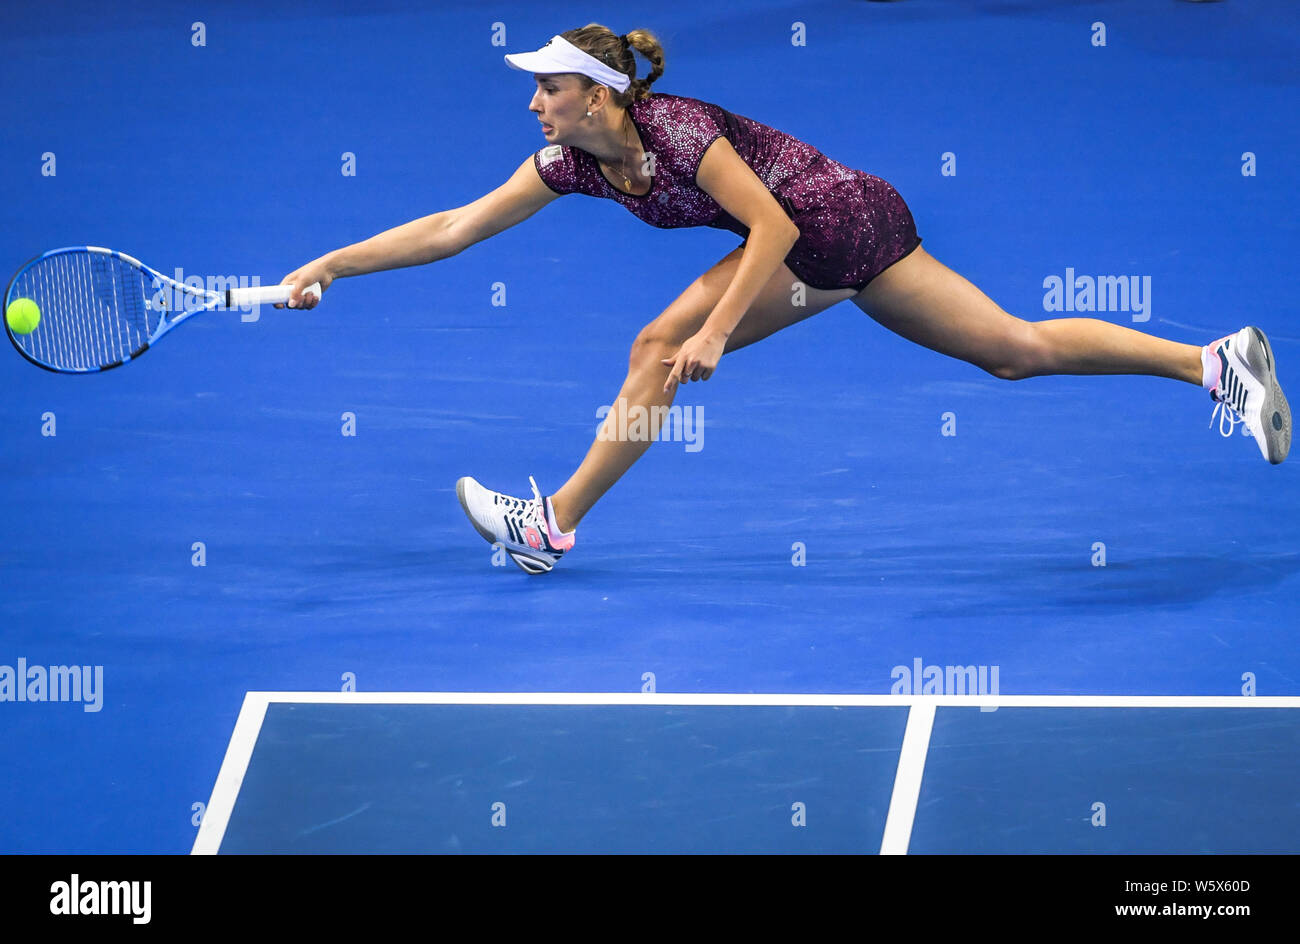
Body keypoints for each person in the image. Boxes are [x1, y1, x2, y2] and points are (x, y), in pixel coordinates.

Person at [278, 24, 1290, 575]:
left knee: (657, 342)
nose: (532, 100)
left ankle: (552, 524)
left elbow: (768, 228)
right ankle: (1214, 362)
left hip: (829, 220)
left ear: (598, 95)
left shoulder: (675, 132)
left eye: (548, 86)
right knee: (1011, 348)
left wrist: (716, 329)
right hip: (864, 215)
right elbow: (452, 227)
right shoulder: (572, 164)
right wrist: (331, 261)